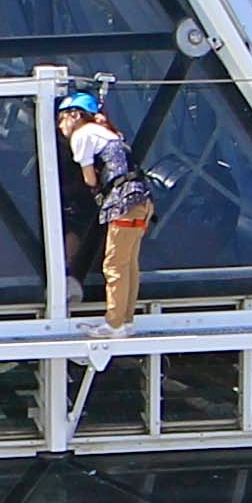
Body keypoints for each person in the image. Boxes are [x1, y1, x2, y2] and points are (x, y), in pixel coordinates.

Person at [53, 87, 163, 333]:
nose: (61, 126)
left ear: (76, 115)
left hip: (122, 202)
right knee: (129, 264)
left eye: (63, 118)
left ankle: (115, 324)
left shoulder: (82, 135)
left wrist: (94, 193)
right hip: (142, 201)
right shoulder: (109, 133)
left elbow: (89, 178)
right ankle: (126, 320)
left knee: (113, 265)